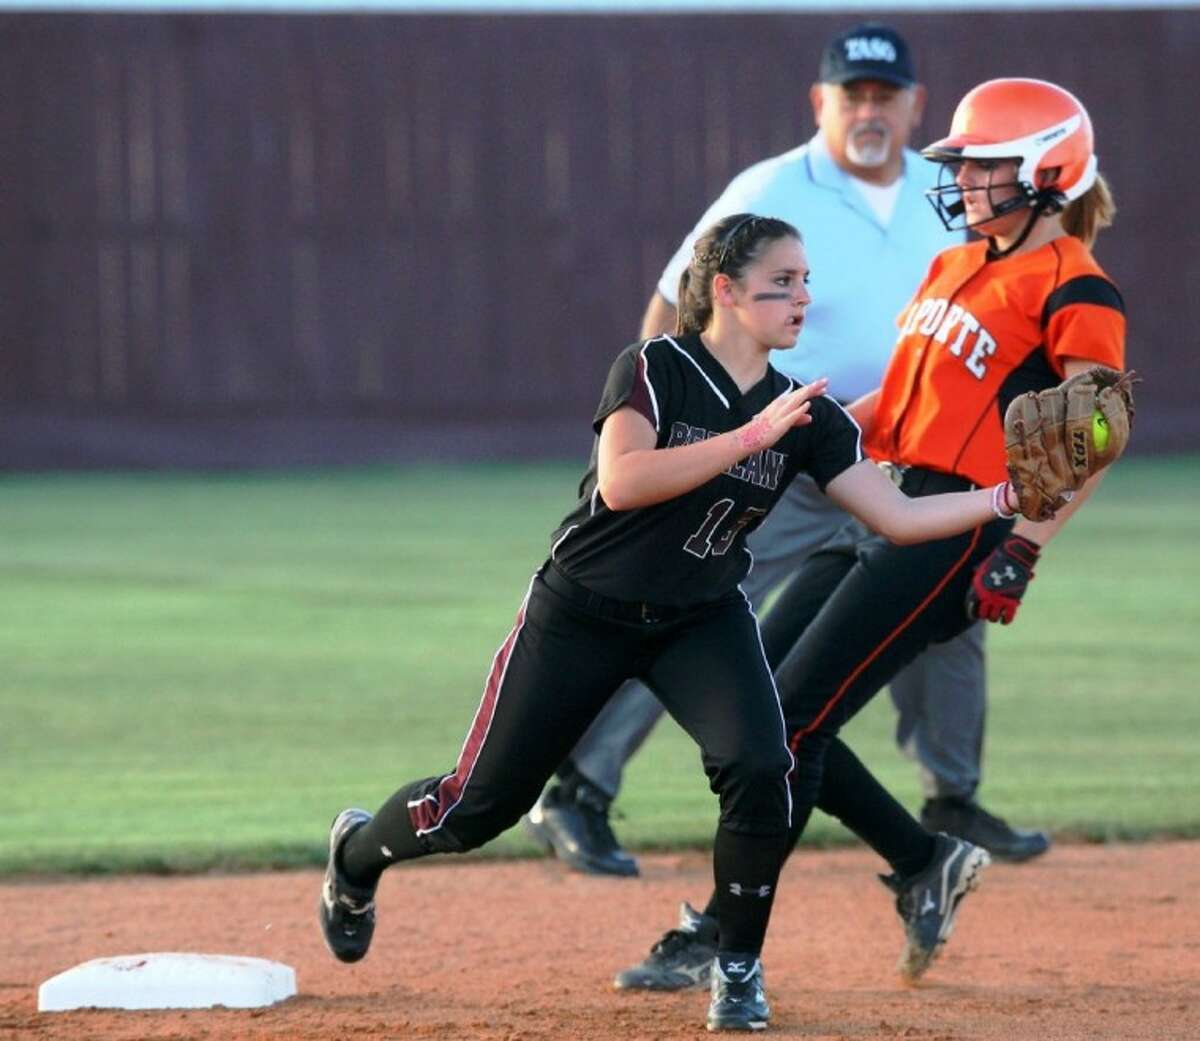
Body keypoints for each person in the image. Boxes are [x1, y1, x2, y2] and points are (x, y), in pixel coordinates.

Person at [319, 213, 1033, 1032]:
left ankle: (736, 966)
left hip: (700, 616)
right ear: (725, 291)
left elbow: (896, 518)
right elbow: (623, 482)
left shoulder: (806, 415)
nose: (803, 298)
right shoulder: (656, 367)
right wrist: (751, 436)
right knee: (474, 808)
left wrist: (1006, 499)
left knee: (765, 763)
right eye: (782, 283)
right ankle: (354, 855)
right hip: (581, 611)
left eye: (806, 282)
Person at [613, 77, 1126, 994]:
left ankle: (726, 935)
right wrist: (791, 436)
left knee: (793, 720)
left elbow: (1094, 431)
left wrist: (1027, 544)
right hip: (884, 506)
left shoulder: (1075, 283)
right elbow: (905, 399)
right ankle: (924, 859)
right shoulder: (955, 266)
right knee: (754, 699)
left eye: (985, 165)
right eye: (962, 165)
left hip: (954, 532)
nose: (963, 180)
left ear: (1047, 169)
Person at [522, 21, 1048, 881]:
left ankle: (953, 795)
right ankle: (577, 787)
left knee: (946, 619)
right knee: (685, 603)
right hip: (782, 449)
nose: (869, 111)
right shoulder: (770, 187)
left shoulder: (947, 193)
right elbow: (671, 306)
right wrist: (685, 423)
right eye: (854, 95)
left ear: (916, 105)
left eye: (886, 96)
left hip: (915, 447)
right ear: (822, 102)